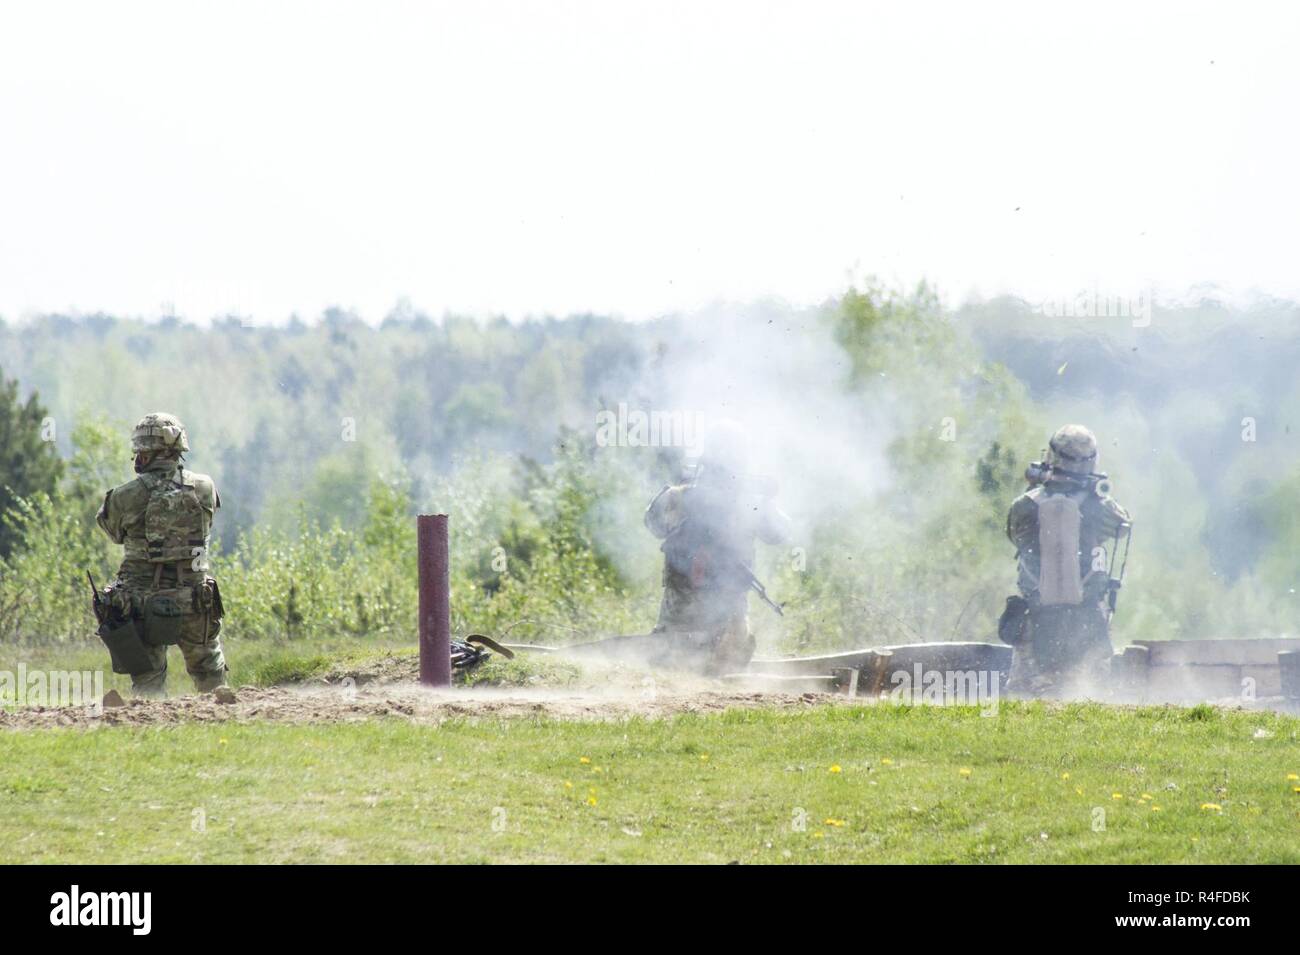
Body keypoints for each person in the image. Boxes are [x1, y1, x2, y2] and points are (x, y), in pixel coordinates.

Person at [95, 412, 229, 696]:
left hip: (144, 603)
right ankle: (224, 713)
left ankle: (153, 722)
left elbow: (112, 532)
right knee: (210, 672)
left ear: (147, 452)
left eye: (140, 451)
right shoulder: (204, 487)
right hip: (195, 599)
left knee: (147, 680)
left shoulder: (124, 496)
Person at [644, 423, 790, 675]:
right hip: (720, 635)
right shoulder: (748, 504)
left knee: (674, 673)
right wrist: (764, 499)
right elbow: (779, 532)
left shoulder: (679, 498)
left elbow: (652, 523)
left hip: (688, 629)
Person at [1001, 424, 1131, 697]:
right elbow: (1122, 528)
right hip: (1086, 621)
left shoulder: (1025, 505)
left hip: (1034, 619)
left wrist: (1037, 485)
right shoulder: (1099, 508)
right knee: (1092, 699)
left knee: (1021, 701)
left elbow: (1014, 535)